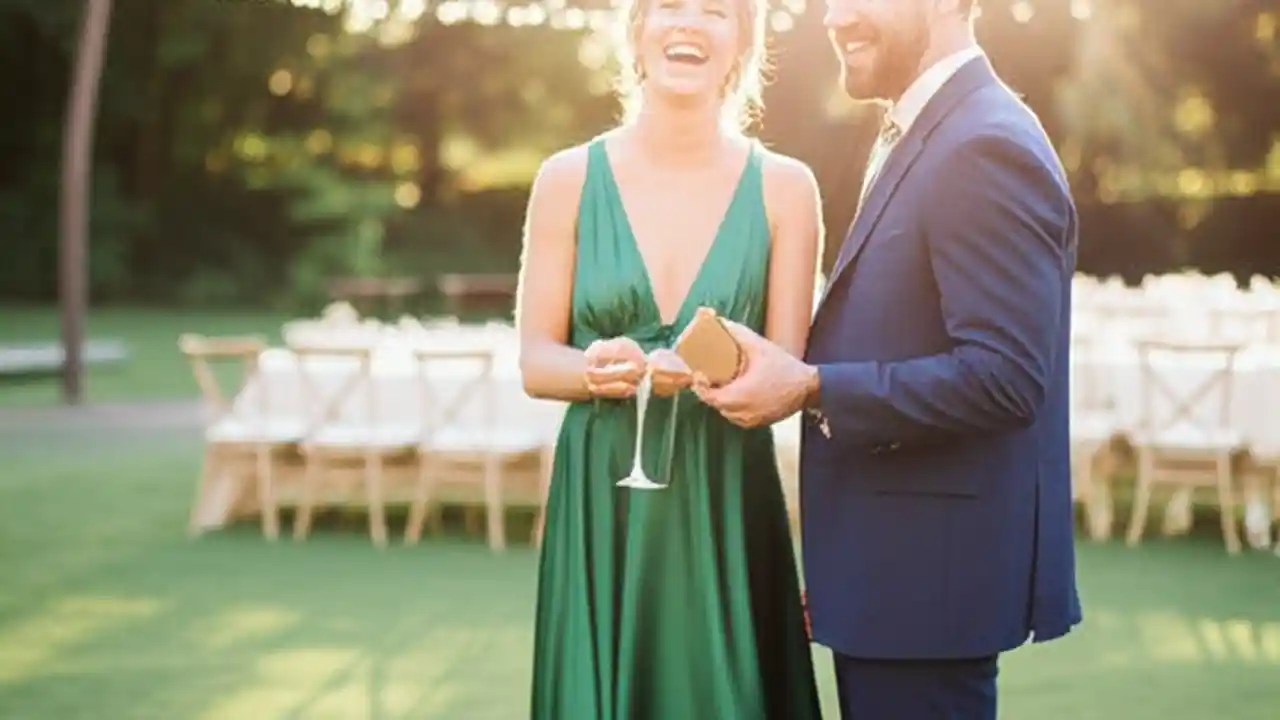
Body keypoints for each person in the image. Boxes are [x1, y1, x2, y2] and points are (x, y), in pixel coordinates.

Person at [696, 0, 1082, 717]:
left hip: (927, 597)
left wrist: (811, 386)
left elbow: (1004, 377)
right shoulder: (928, 131)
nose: (835, 18)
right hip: (895, 583)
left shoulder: (981, 143)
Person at [515, 0, 824, 714]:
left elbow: (782, 378)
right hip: (603, 495)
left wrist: (718, 376)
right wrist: (595, 372)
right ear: (635, 32)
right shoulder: (566, 179)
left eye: (714, 10)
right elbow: (535, 362)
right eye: (666, 6)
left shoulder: (787, 188)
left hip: (725, 494)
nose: (687, 23)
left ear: (741, 43)